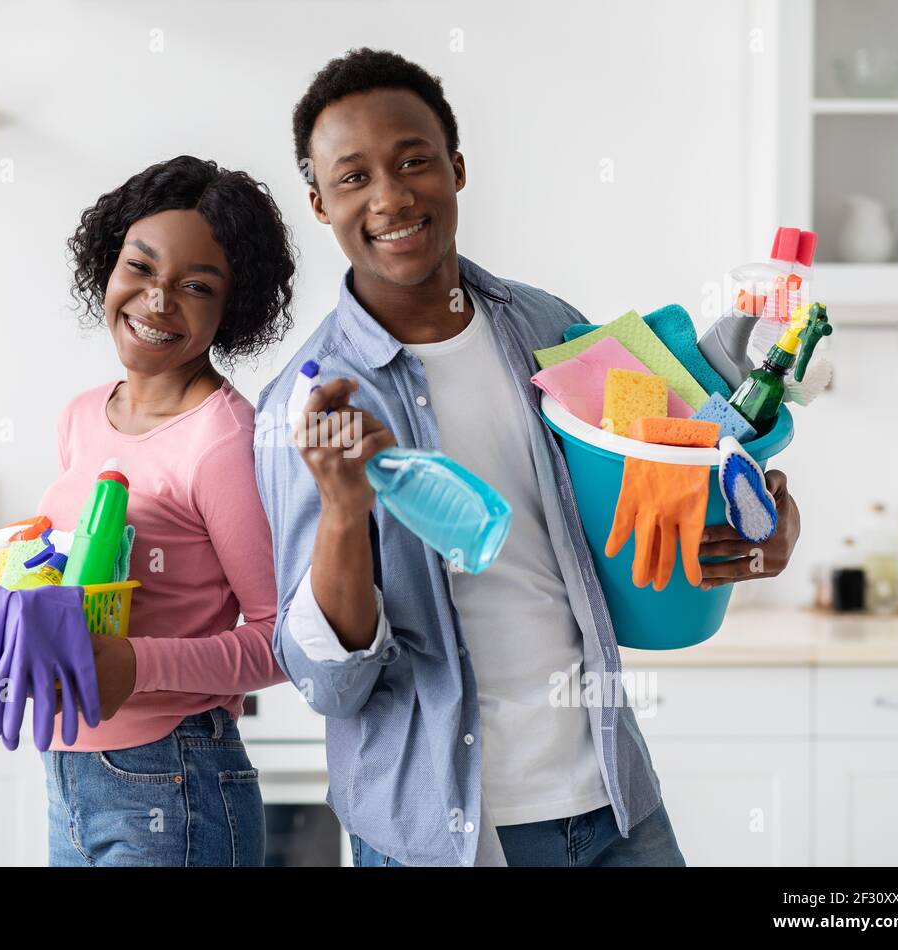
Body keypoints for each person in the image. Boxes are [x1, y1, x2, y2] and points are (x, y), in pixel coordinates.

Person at [254, 49, 802, 867]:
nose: (392, 197)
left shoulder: (551, 329)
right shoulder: (312, 404)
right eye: (354, 177)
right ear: (319, 203)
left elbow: (677, 457)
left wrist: (763, 522)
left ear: (457, 168)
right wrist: (342, 513)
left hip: (616, 801)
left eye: (414, 161)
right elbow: (328, 682)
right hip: (443, 832)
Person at [0, 155, 294, 866]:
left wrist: (135, 665)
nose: (157, 301)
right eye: (141, 269)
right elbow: (58, 604)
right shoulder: (83, 416)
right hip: (69, 777)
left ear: (231, 308)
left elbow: (285, 641)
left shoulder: (223, 441)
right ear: (108, 266)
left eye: (195, 287)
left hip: (175, 780)